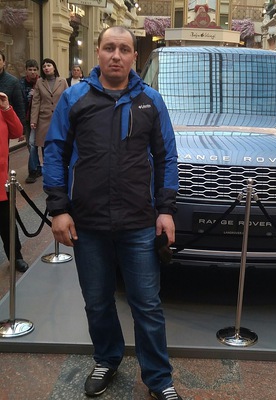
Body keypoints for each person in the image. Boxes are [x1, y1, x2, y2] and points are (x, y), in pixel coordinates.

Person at [43, 26, 182, 400]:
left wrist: (165, 210)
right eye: (109, 48)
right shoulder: (75, 98)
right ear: (98, 52)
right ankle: (107, 358)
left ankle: (159, 379)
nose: (116, 55)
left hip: (139, 222)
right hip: (87, 223)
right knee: (97, 300)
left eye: (123, 49)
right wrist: (58, 209)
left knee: (147, 305)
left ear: (135, 56)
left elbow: (167, 157)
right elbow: (54, 152)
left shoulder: (151, 101)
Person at [0, 92, 29, 273]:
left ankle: (15, 256)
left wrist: (6, 108)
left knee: (7, 223)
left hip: (1, 180)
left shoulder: (2, 108)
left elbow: (17, 132)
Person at [30, 58, 68, 161]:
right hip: (44, 119)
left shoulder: (62, 81)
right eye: (44, 66)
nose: (46, 68)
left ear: (54, 68)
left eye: (49, 65)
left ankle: (59, 166)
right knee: (45, 145)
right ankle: (47, 166)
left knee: (58, 144)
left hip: (59, 118)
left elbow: (67, 99)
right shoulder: (39, 82)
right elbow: (36, 102)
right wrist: (33, 120)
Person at [19, 59, 41, 184]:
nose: (32, 72)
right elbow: (20, 102)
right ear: (26, 70)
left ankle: (33, 171)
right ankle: (36, 167)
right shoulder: (21, 83)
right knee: (30, 144)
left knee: (34, 144)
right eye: (30, 69)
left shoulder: (41, 82)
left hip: (40, 118)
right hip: (27, 119)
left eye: (34, 69)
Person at [0, 51, 26, 128]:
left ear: (4, 63)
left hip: (5, 125)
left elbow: (19, 107)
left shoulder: (13, 82)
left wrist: (21, 128)